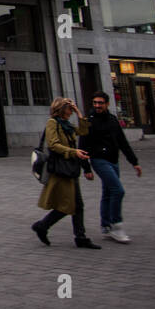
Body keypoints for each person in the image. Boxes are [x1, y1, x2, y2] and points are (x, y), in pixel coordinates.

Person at [31, 98, 101, 250]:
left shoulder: (67, 125)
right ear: (61, 109)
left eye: (71, 109)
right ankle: (43, 226)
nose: (70, 112)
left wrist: (78, 112)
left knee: (77, 205)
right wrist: (73, 151)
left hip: (71, 168)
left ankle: (79, 236)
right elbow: (53, 145)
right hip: (61, 170)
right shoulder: (53, 123)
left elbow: (84, 131)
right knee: (68, 205)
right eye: (69, 109)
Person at [79, 90, 141, 243]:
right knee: (117, 190)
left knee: (107, 192)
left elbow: (123, 142)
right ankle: (116, 226)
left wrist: (134, 162)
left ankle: (105, 226)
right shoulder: (86, 121)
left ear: (107, 104)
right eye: (95, 103)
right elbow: (82, 145)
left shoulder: (113, 120)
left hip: (113, 160)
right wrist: (86, 168)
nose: (97, 105)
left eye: (100, 103)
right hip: (99, 160)